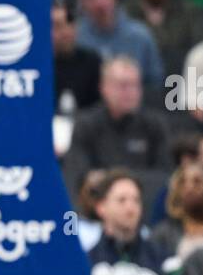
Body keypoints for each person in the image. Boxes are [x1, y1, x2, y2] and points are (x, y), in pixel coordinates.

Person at [64, 56, 168, 198]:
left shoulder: (154, 125)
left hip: (143, 201)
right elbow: (77, 175)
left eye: (135, 85)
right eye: (123, 85)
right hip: (98, 205)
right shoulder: (86, 124)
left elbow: (164, 174)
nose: (131, 92)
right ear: (103, 88)